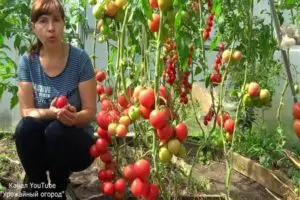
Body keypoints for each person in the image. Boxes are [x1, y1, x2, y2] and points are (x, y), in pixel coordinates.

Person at [15, 0, 97, 199]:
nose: (51, 28)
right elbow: (26, 111)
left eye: (56, 20)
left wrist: (73, 118)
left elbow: (90, 111)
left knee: (57, 131)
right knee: (25, 128)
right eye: (43, 21)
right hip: (42, 144)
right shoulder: (28, 61)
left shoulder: (80, 60)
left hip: (76, 143)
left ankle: (59, 188)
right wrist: (52, 113)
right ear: (34, 27)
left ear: (64, 23)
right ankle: (38, 186)